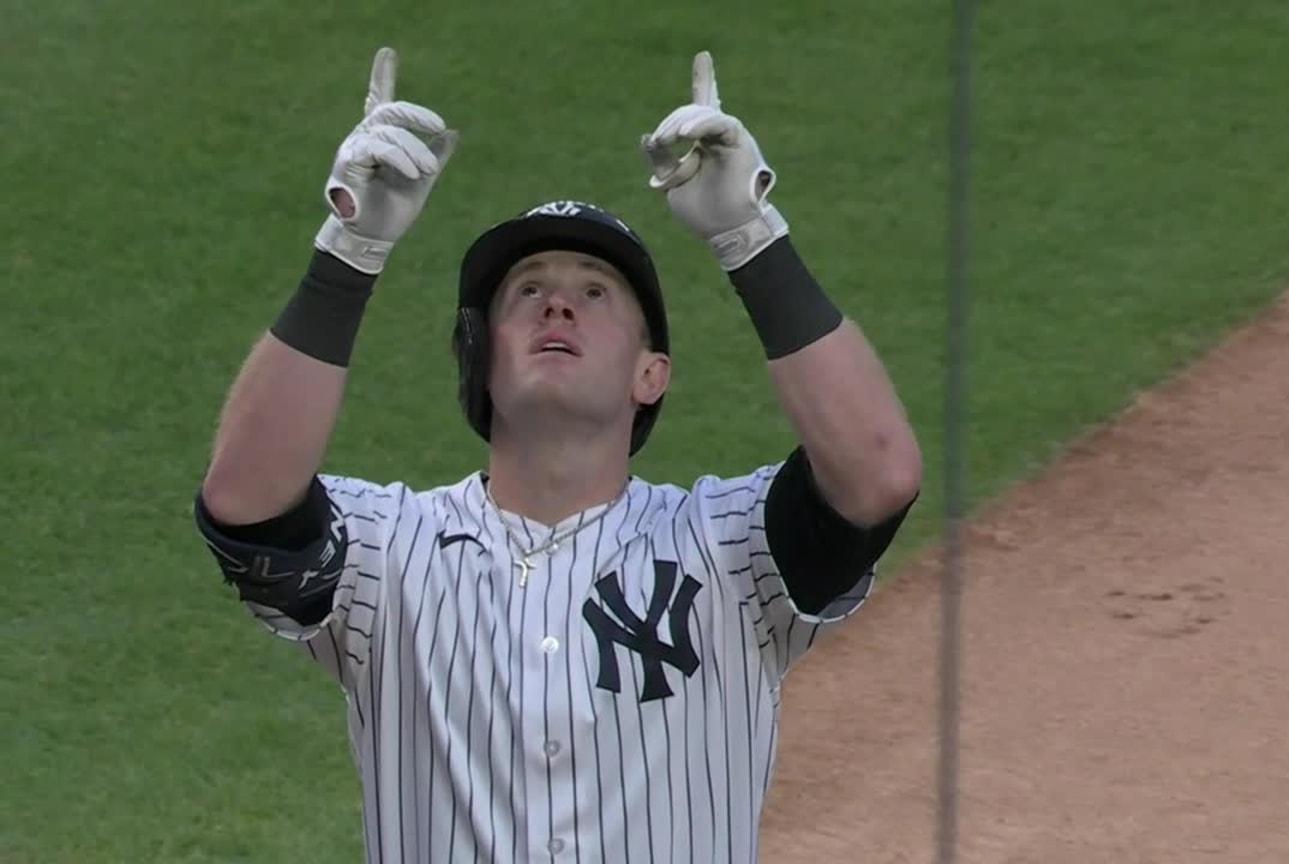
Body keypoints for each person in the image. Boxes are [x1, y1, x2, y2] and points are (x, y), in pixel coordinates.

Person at [191, 46, 921, 863]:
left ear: (653, 375)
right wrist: (348, 250)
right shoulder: (387, 557)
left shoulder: (728, 552)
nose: (559, 304)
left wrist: (750, 234)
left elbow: (878, 468)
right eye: (527, 292)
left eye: (596, 293)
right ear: (481, 361)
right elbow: (246, 498)